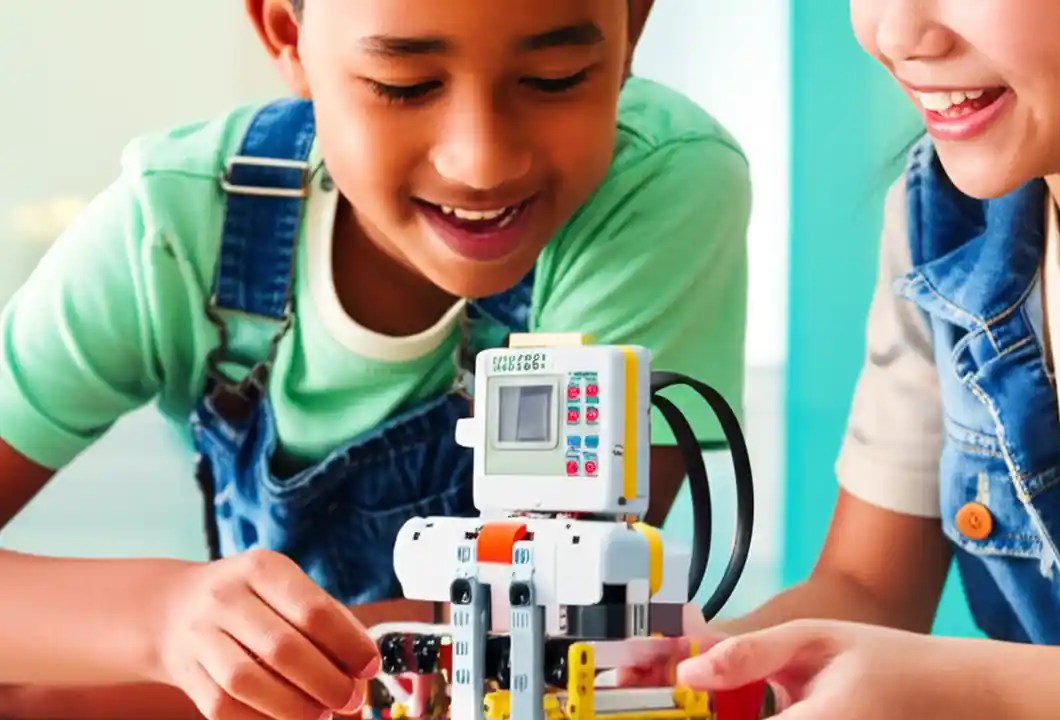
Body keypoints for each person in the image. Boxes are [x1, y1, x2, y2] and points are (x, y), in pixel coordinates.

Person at [0, 0, 750, 718]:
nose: (482, 161)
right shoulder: (176, 227)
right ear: (287, 34)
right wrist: (161, 618)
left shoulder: (653, 184)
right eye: (406, 85)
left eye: (553, 77)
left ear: (633, 26)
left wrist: (58, 698)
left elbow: (556, 615)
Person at [660, 0, 1060, 717]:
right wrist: (695, 670)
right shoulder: (945, 228)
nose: (898, 34)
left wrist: (972, 691)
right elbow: (866, 590)